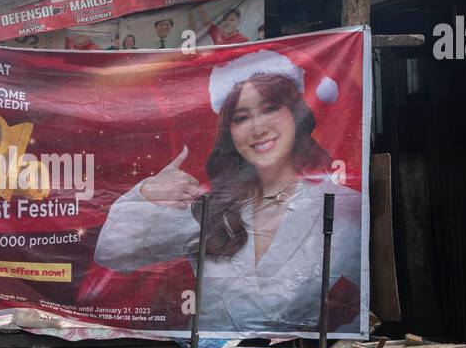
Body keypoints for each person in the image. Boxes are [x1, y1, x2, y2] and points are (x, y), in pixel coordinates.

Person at [94, 50, 363, 333]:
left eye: (270, 109)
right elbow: (112, 252)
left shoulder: (340, 206)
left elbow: (364, 307)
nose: (258, 128)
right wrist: (147, 192)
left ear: (295, 115)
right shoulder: (211, 209)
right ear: (230, 132)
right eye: (241, 118)